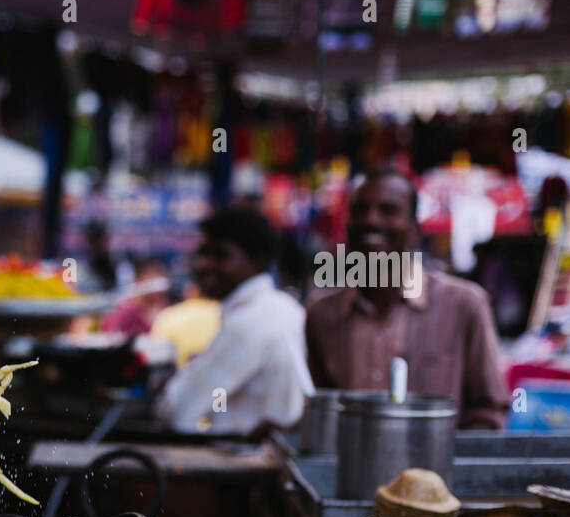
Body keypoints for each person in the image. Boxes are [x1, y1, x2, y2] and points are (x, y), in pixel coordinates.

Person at [305, 168, 509, 429]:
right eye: (360, 210)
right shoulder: (322, 314)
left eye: (388, 210)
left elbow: (488, 412)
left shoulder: (464, 305)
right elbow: (318, 413)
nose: (372, 220)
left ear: (414, 229)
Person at [153, 206, 311, 435]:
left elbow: (176, 413)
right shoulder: (285, 307)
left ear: (256, 260)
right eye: (203, 254)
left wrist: (171, 386)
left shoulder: (250, 321)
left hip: (248, 462)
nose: (205, 265)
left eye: (220, 255)